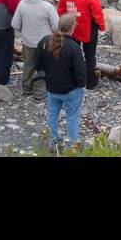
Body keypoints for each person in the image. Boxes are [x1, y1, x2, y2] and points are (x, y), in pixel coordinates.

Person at [39, 13, 85, 151]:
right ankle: (72, 146)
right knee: (72, 117)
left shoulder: (45, 41)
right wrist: (81, 86)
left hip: (52, 88)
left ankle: (54, 143)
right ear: (72, 28)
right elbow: (80, 72)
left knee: (53, 114)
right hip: (70, 90)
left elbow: (38, 64)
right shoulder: (74, 47)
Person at [58, 0, 104, 90]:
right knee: (90, 56)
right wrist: (102, 26)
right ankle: (91, 83)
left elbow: (60, 10)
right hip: (89, 29)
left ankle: (73, 79)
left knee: (72, 54)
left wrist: (65, 25)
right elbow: (97, 13)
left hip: (71, 29)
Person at [12, 0, 58, 97]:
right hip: (45, 43)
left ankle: (27, 88)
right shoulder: (47, 7)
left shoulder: (22, 4)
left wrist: (24, 32)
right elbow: (56, 26)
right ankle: (39, 91)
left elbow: (14, 24)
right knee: (44, 67)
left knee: (28, 65)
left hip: (28, 42)